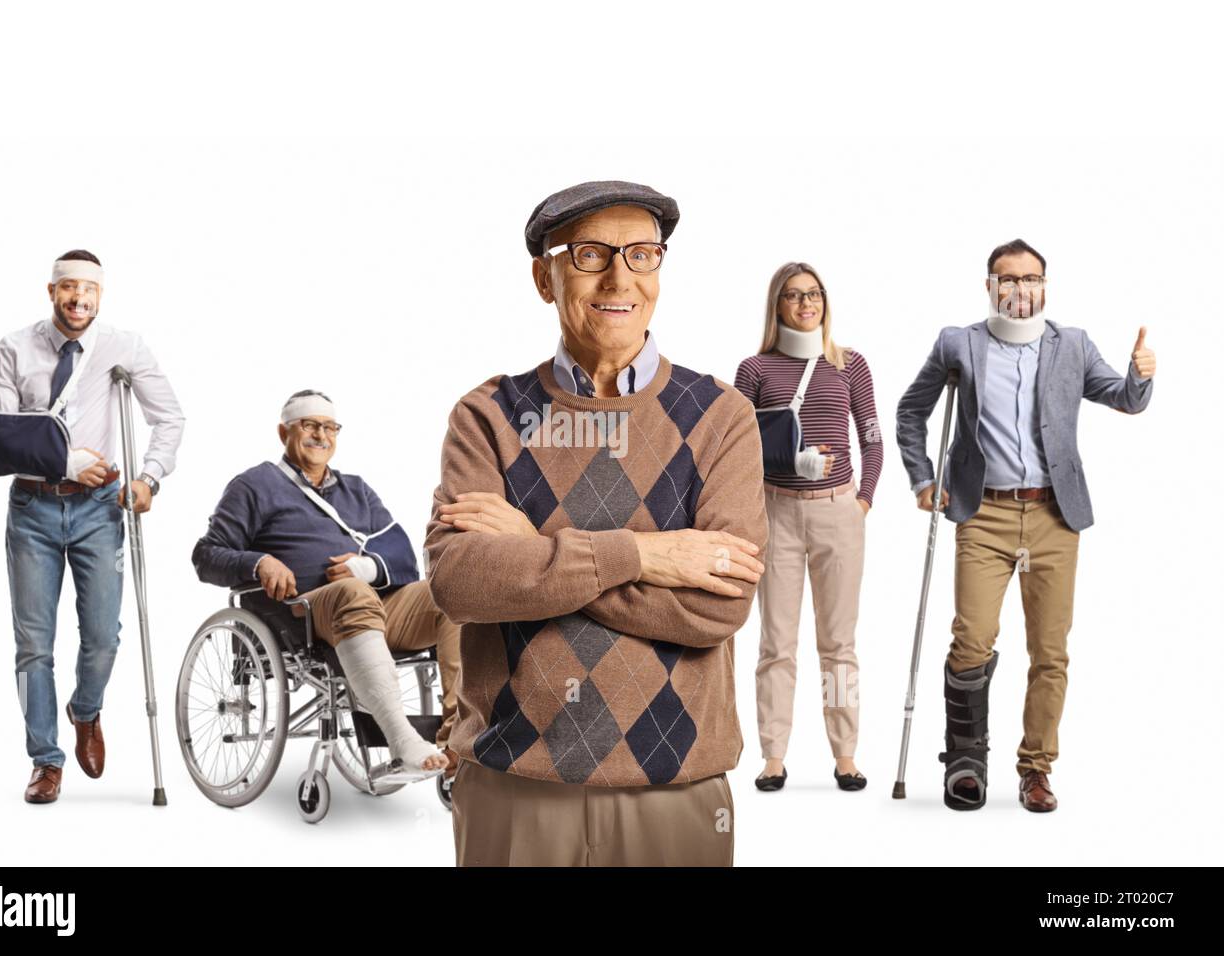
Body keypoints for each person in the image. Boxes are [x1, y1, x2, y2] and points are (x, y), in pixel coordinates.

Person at [424, 180, 767, 866]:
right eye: (589, 255)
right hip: (512, 786)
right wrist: (646, 555)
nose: (621, 278)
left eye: (643, 255)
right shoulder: (488, 415)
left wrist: (534, 551)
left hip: (677, 791)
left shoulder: (721, 417)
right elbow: (460, 583)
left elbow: (714, 606)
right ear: (543, 278)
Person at [895, 238, 1155, 812]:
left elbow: (1125, 400)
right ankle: (965, 761)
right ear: (989, 286)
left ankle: (1035, 770)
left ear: (1045, 285)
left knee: (1049, 651)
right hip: (981, 512)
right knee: (973, 639)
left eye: (1030, 279)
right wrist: (921, 479)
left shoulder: (1074, 346)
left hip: (1053, 516)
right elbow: (912, 409)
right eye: (1007, 279)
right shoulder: (958, 343)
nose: (1019, 289)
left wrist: (1140, 376)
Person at [0, 249, 186, 804]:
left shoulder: (125, 346)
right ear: (51, 292)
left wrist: (149, 478)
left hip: (100, 509)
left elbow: (169, 417)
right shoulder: (14, 349)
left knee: (102, 636)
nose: (78, 299)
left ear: (101, 294)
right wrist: (65, 461)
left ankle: (85, 710)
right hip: (33, 509)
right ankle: (45, 760)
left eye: (88, 290)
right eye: (68, 288)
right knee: (34, 644)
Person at [191, 389, 457, 774]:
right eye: (310, 425)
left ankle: (458, 741)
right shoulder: (253, 486)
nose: (321, 435)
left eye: (330, 427)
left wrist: (366, 567)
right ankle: (402, 739)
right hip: (302, 613)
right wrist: (258, 561)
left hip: (375, 604)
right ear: (284, 433)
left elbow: (402, 553)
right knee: (351, 593)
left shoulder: (357, 490)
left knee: (449, 592)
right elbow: (206, 556)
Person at [735, 261, 883, 793]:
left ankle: (846, 754)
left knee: (838, 644)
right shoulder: (755, 370)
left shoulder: (850, 365)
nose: (805, 304)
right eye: (794, 296)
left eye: (814, 294)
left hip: (838, 513)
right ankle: (773, 756)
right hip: (775, 513)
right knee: (776, 642)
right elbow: (738, 449)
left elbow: (871, 438)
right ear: (778, 305)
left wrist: (862, 501)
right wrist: (791, 464)